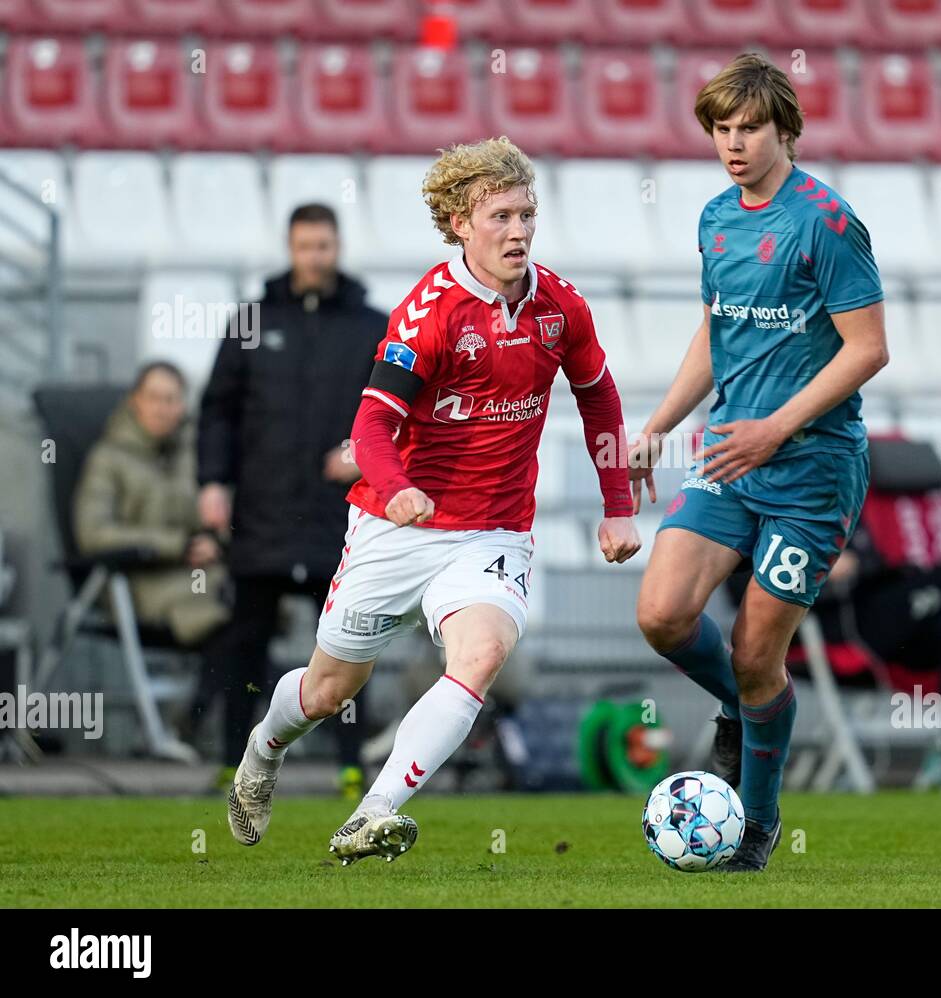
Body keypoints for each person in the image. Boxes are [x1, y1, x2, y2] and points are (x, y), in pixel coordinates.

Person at [224, 137, 641, 862]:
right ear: (457, 221)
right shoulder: (429, 313)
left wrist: (617, 504)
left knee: (480, 656)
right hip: (395, 526)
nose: (518, 232)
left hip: (493, 533)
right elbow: (372, 425)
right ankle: (263, 749)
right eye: (500, 217)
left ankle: (374, 809)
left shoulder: (560, 307)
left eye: (527, 214)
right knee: (328, 691)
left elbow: (599, 398)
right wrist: (398, 488)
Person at [631, 53, 888, 871]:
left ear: (786, 130)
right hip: (728, 457)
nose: (733, 144)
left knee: (754, 654)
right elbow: (719, 326)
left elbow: (869, 349)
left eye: (749, 128)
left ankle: (757, 826)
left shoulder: (829, 221)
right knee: (662, 615)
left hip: (810, 468)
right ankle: (748, 710)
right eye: (721, 129)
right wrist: (660, 424)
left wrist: (775, 428)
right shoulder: (714, 217)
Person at [197, 203, 385, 796]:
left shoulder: (370, 323)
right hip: (262, 515)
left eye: (324, 246)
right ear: (290, 246)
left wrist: (361, 447)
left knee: (349, 642)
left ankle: (351, 766)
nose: (314, 257)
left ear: (337, 247)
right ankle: (233, 760)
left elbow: (397, 405)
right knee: (243, 644)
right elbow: (217, 411)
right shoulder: (252, 320)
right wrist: (211, 482)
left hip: (339, 516)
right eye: (305, 246)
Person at [74, 361, 228, 648]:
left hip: (202, 576)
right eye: (154, 398)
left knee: (254, 602)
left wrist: (213, 540)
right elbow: (93, 534)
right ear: (135, 401)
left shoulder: (194, 453)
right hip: (137, 582)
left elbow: (216, 517)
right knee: (232, 616)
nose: (162, 408)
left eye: (171, 399)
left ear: (183, 405)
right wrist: (177, 545)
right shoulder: (107, 458)